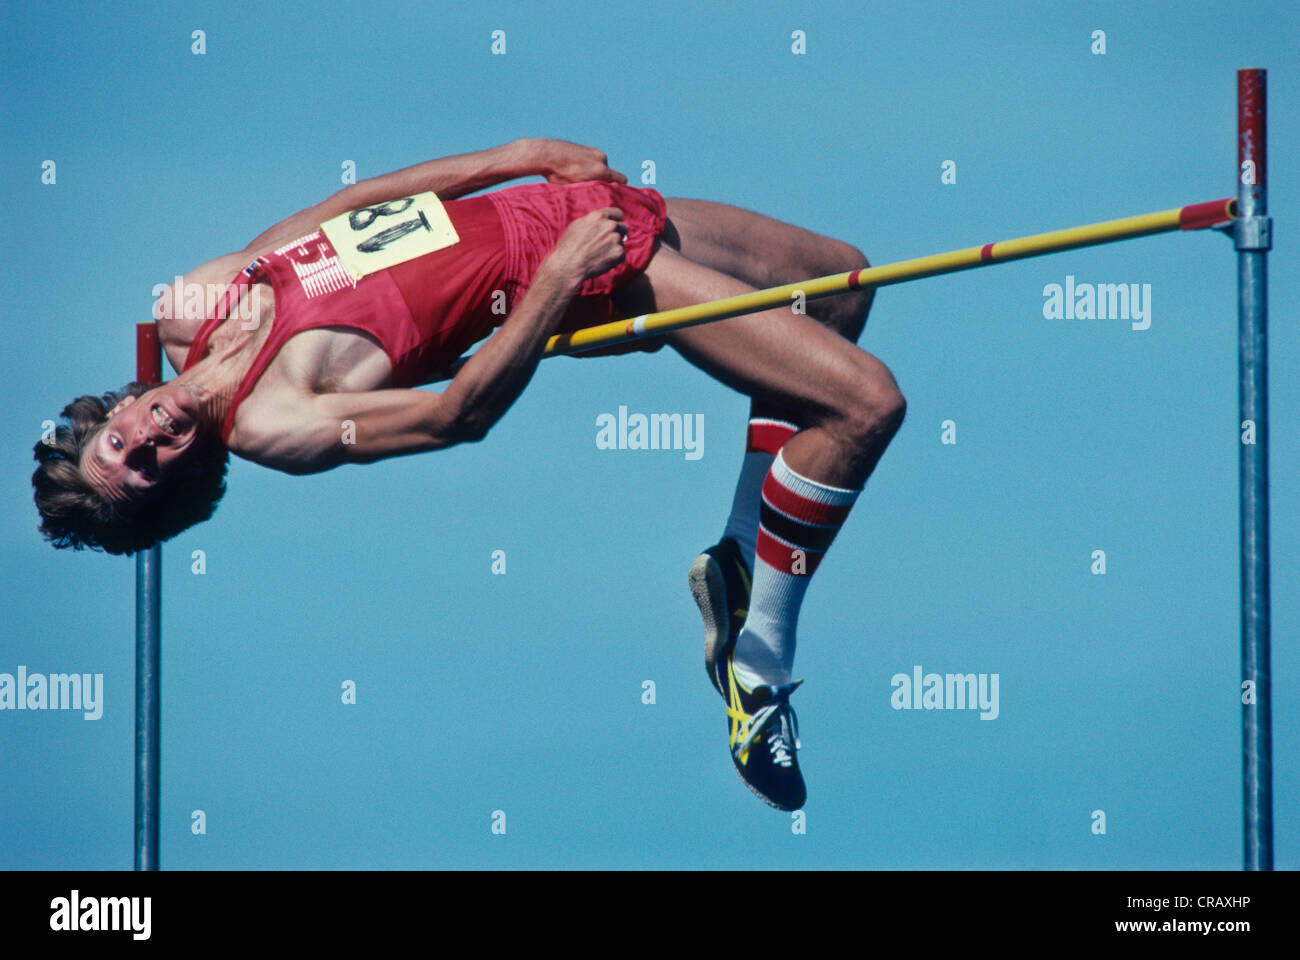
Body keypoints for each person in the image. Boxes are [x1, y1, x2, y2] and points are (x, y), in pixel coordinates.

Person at [32, 138, 905, 811]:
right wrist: (560, 280)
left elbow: (352, 207)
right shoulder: (275, 423)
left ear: (110, 413)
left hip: (553, 205)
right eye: (146, 469)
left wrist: (521, 157)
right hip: (592, 271)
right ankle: (759, 665)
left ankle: (740, 561)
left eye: (119, 443)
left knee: (839, 288)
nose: (148, 440)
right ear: (179, 486)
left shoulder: (192, 304)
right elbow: (460, 415)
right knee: (865, 407)